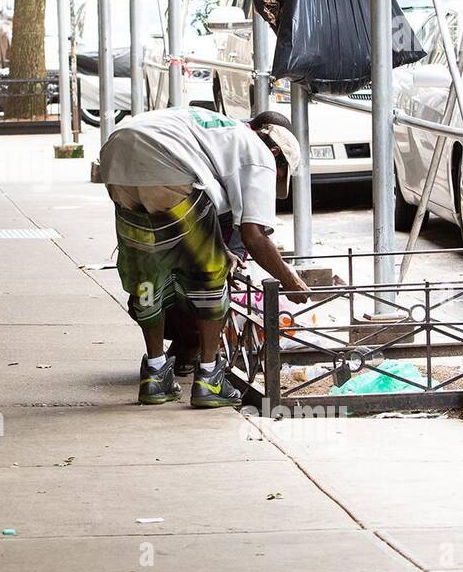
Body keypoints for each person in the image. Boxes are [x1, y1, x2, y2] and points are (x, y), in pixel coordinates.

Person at [98, 106, 313, 407]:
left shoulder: (223, 133)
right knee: (209, 274)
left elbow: (199, 221)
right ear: (275, 152)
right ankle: (210, 378)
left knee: (147, 271)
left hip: (116, 158)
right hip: (168, 163)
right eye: (280, 172)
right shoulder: (260, 154)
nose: (274, 178)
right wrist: (290, 279)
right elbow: (254, 235)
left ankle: (155, 375)